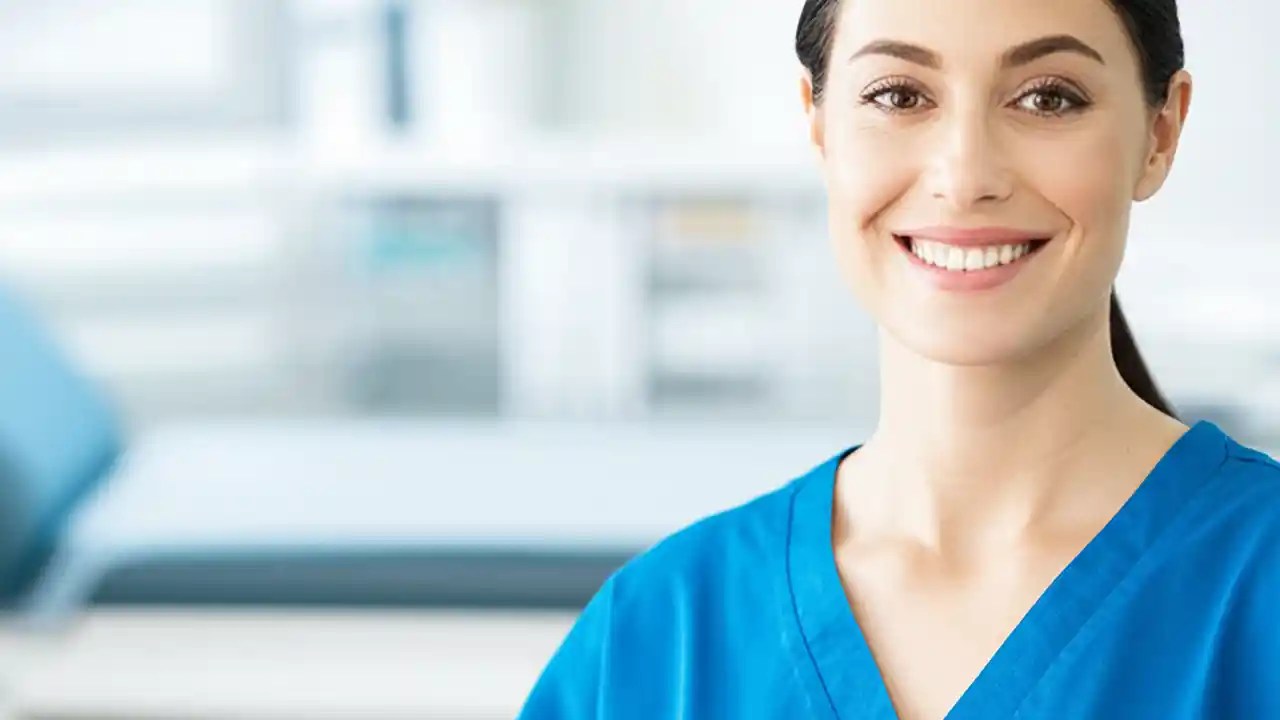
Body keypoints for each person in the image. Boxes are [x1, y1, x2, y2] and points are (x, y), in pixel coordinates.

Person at [518, 0, 1280, 717]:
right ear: (819, 126)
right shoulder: (657, 636)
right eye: (899, 96)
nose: (966, 177)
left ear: (1160, 134)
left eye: (1048, 98)